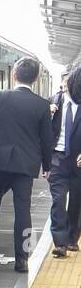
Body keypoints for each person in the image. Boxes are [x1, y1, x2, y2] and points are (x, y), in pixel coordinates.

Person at [0, 57, 53, 272]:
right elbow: (47, 140)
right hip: (25, 165)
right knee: (23, 210)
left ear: (14, 75)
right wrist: (47, 167)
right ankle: (22, 259)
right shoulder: (42, 105)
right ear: (36, 79)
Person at [48, 70, 81, 258]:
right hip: (58, 158)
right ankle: (60, 243)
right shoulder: (54, 102)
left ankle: (72, 238)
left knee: (77, 200)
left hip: (78, 161)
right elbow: (42, 131)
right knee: (58, 200)